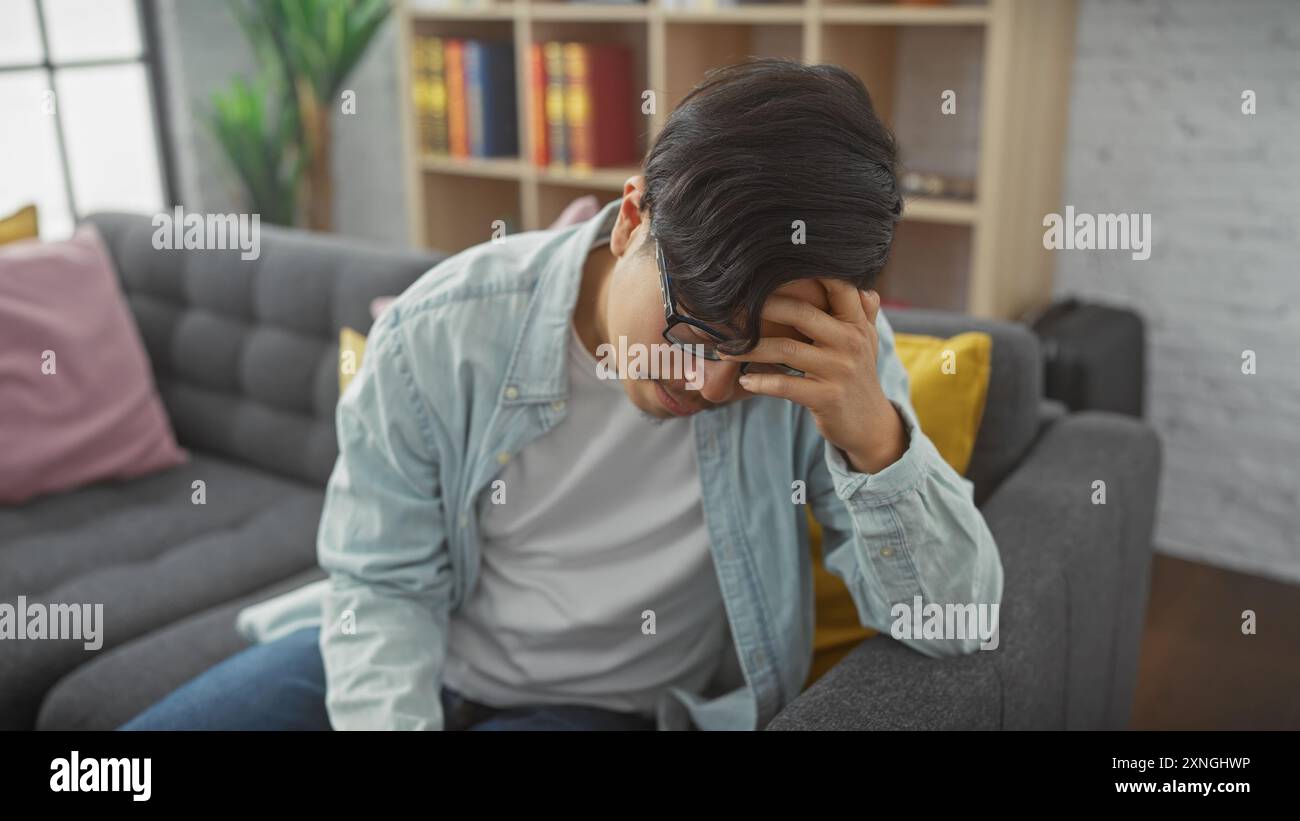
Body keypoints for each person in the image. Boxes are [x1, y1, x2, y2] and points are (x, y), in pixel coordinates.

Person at [122, 57, 1002, 732]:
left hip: (602, 706)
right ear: (631, 218)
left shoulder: (833, 359)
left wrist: (872, 439)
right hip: (410, 650)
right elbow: (382, 583)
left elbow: (958, 621)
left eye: (750, 356)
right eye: (692, 329)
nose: (709, 383)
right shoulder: (441, 330)